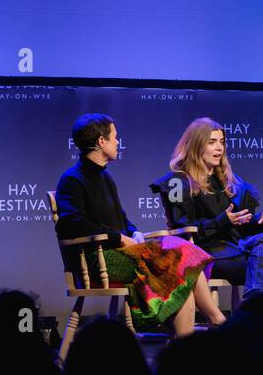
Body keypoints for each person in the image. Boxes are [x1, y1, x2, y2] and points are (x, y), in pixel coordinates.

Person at [56, 113, 222, 336]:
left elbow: (121, 217)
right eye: (114, 137)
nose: (118, 142)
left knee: (181, 281)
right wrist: (118, 237)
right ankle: (217, 319)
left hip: (122, 253)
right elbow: (71, 223)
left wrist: (133, 232)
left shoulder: (105, 178)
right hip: (98, 259)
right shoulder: (72, 179)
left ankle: (188, 348)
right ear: (100, 142)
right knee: (176, 249)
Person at [151, 117, 263, 299]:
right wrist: (223, 221)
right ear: (196, 145)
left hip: (236, 247)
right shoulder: (177, 181)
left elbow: (239, 228)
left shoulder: (227, 180)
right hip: (205, 252)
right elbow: (181, 228)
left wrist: (255, 221)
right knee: (258, 268)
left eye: (221, 142)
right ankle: (254, 301)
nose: (219, 148)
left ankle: (253, 298)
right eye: (211, 142)